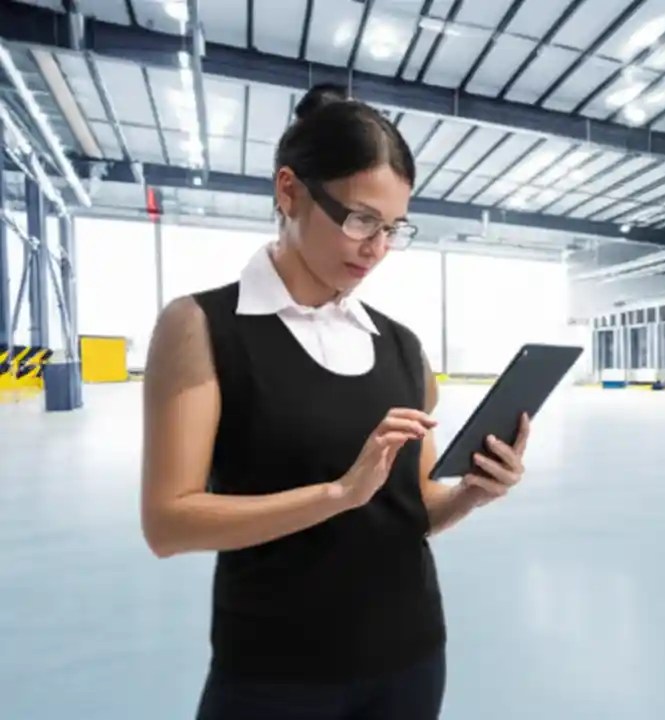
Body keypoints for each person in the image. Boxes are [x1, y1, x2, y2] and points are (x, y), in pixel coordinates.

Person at [140, 83, 529, 719]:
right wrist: (338, 494)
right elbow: (168, 523)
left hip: (410, 661)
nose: (377, 248)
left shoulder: (402, 347)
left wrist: (470, 494)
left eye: (393, 228)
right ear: (289, 191)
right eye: (360, 220)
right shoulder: (203, 328)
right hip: (274, 677)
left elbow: (413, 511)